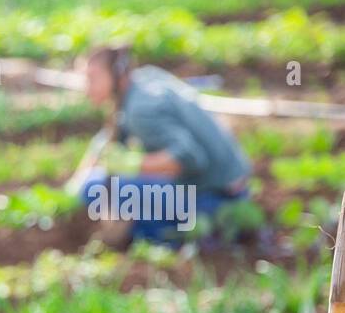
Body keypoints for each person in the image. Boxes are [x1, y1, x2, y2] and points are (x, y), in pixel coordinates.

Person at [77, 45, 253, 250]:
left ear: (116, 75)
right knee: (113, 185)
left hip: (215, 195)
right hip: (234, 186)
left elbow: (190, 157)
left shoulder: (141, 110)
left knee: (94, 188)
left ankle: (175, 236)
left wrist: (133, 164)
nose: (86, 88)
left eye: (92, 78)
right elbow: (109, 135)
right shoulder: (142, 81)